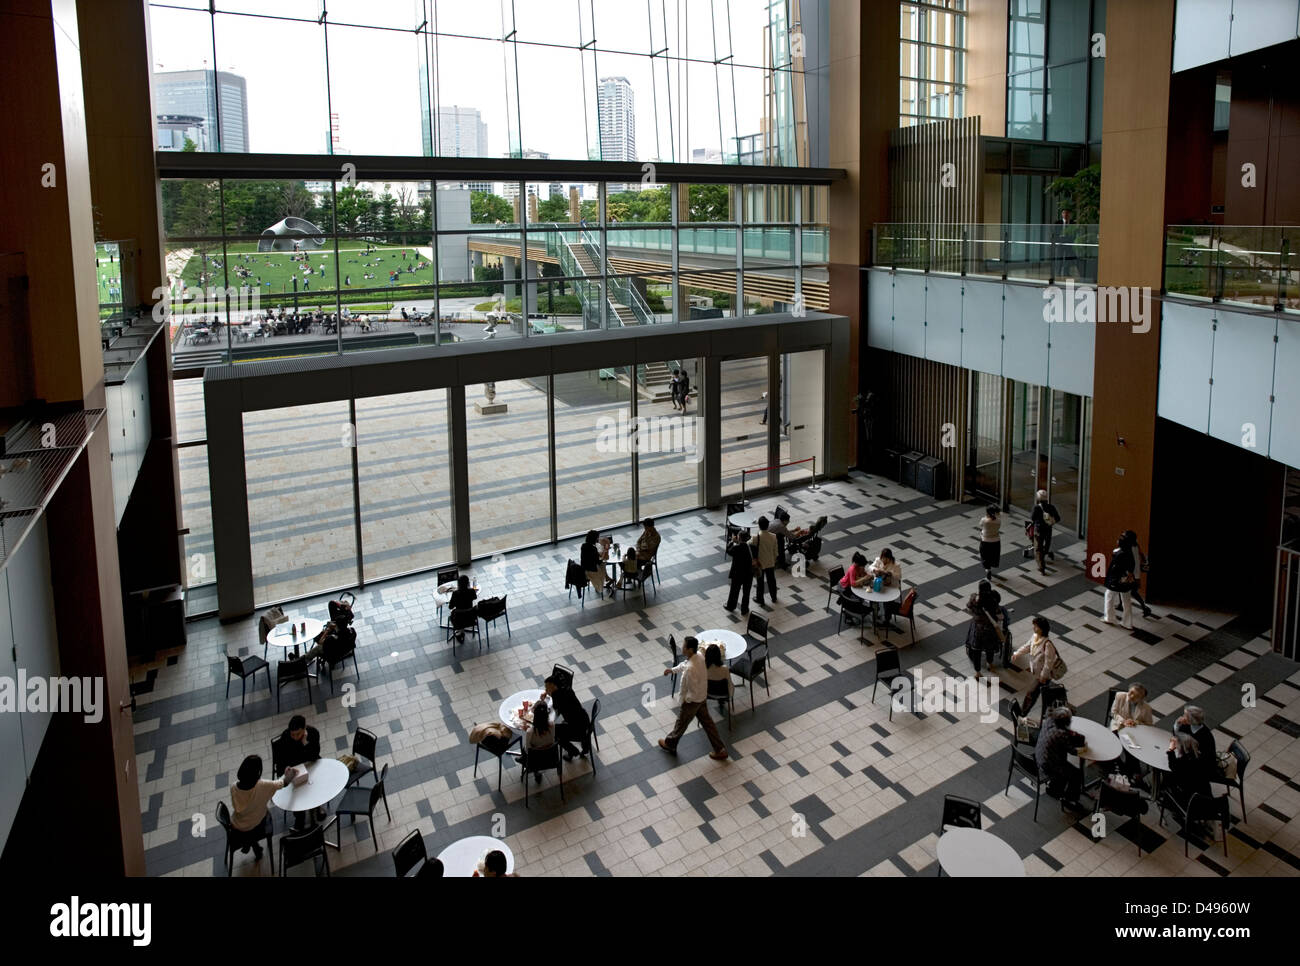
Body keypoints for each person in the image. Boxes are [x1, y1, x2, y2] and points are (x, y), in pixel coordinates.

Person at [659, 637, 728, 761]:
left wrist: (686, 701)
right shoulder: (700, 656)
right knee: (708, 724)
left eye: (684, 646)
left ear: (690, 649)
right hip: (702, 697)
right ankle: (720, 749)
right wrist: (672, 670)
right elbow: (685, 664)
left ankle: (670, 744)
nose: (682, 647)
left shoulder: (690, 669)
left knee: (681, 722)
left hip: (693, 701)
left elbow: (691, 689)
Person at [229, 755, 292, 860]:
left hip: (237, 826)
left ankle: (253, 845)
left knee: (249, 822)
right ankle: (253, 844)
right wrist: (289, 774)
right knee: (262, 816)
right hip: (257, 825)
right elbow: (283, 783)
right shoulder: (263, 785)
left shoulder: (233, 787)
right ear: (258, 772)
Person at [1035, 707, 1086, 807]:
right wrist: (1085, 749)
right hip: (1049, 765)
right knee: (1076, 774)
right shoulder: (1061, 734)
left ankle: (1054, 788)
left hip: (1040, 758)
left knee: (1066, 768)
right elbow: (1073, 751)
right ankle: (1069, 799)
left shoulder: (1048, 721)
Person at [1012, 615, 1060, 716]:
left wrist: (1043, 676)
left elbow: (1048, 663)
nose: (1034, 628)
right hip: (1037, 673)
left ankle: (1023, 713)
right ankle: (1049, 710)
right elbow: (1027, 647)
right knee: (1043, 694)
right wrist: (1017, 654)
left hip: (1042, 676)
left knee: (1031, 693)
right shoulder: (1034, 637)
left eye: (1036, 626)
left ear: (1042, 629)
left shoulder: (1047, 644)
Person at [544, 674, 590, 761]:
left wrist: (551, 694)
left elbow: (556, 708)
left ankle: (572, 751)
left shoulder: (556, 696)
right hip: (585, 720)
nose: (546, 690)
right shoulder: (568, 689)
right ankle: (586, 747)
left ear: (553, 686)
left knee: (553, 732)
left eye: (547, 687)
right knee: (561, 726)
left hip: (577, 729)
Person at [964, 580, 1004, 679]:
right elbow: (1000, 616)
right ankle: (990, 664)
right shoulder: (993, 600)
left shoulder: (974, 598)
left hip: (977, 629)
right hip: (989, 629)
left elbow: (968, 608)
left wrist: (976, 616)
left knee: (976, 651)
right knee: (989, 648)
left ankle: (978, 672)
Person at [1165, 733, 1212, 813]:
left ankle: (1174, 808)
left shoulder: (1182, 763)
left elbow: (1172, 765)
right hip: (1207, 797)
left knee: (1168, 778)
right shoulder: (1200, 757)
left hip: (1191, 803)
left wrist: (1170, 750)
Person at [1103, 536, 1138, 630]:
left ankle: (1110, 618)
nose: (1117, 540)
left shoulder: (1119, 553)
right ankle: (1127, 623)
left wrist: (1112, 579)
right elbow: (1131, 567)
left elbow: (1115, 568)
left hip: (1116, 580)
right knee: (1126, 601)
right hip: (1126, 581)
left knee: (1109, 596)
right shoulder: (1130, 553)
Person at [1174, 706, 1217, 780]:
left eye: (1185, 716)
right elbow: (1176, 735)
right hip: (1192, 758)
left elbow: (1201, 757)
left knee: (1174, 765)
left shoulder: (1204, 736)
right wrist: (1177, 724)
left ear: (1191, 720)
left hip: (1203, 765)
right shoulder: (1188, 726)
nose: (1183, 717)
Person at [1120, 529, 1153, 618]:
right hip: (1135, 572)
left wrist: (1130, 575)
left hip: (1132, 573)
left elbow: (1131, 562)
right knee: (1125, 589)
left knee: (1132, 592)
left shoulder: (1129, 547)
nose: (1122, 535)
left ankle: (1145, 608)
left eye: (1124, 535)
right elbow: (1141, 555)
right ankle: (1121, 605)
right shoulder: (1135, 545)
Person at [1028, 490, 1060, 575]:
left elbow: (1032, 518)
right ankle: (1046, 552)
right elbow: (1058, 518)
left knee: (1038, 548)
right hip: (1048, 530)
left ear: (1038, 498)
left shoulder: (1036, 508)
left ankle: (1042, 567)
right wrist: (1050, 521)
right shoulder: (1051, 507)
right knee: (1047, 543)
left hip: (1038, 530)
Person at [750, 516, 779, 608]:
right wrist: (774, 560)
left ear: (759, 526)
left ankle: (760, 599)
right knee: (772, 581)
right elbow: (775, 552)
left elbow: (747, 544)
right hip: (770, 562)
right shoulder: (773, 537)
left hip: (760, 564)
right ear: (768, 525)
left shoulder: (756, 538)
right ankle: (774, 597)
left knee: (760, 582)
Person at [724, 527, 754, 615]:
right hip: (748, 573)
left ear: (739, 538)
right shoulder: (750, 547)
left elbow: (728, 551)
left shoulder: (736, 548)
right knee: (746, 592)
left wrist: (732, 542)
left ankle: (731, 606)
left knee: (734, 591)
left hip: (737, 574)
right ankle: (744, 609)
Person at [704, 643, 733, 716]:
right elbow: (730, 684)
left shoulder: (703, 669)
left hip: (708, 694)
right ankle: (721, 701)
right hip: (724, 694)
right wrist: (730, 695)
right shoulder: (725, 669)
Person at [580, 529, 608, 599]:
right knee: (603, 563)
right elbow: (599, 561)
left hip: (584, 569)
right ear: (594, 539)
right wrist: (605, 551)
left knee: (603, 565)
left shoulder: (583, 546)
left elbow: (592, 557)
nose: (598, 539)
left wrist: (599, 554)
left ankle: (607, 577)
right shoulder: (593, 549)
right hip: (591, 571)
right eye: (597, 537)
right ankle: (606, 578)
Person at [978, 506, 1001, 581]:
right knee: (993, 555)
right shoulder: (998, 520)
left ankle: (988, 569)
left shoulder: (984, 520)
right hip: (996, 541)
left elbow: (980, 524)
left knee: (984, 555)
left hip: (985, 540)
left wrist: (986, 516)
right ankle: (991, 565)